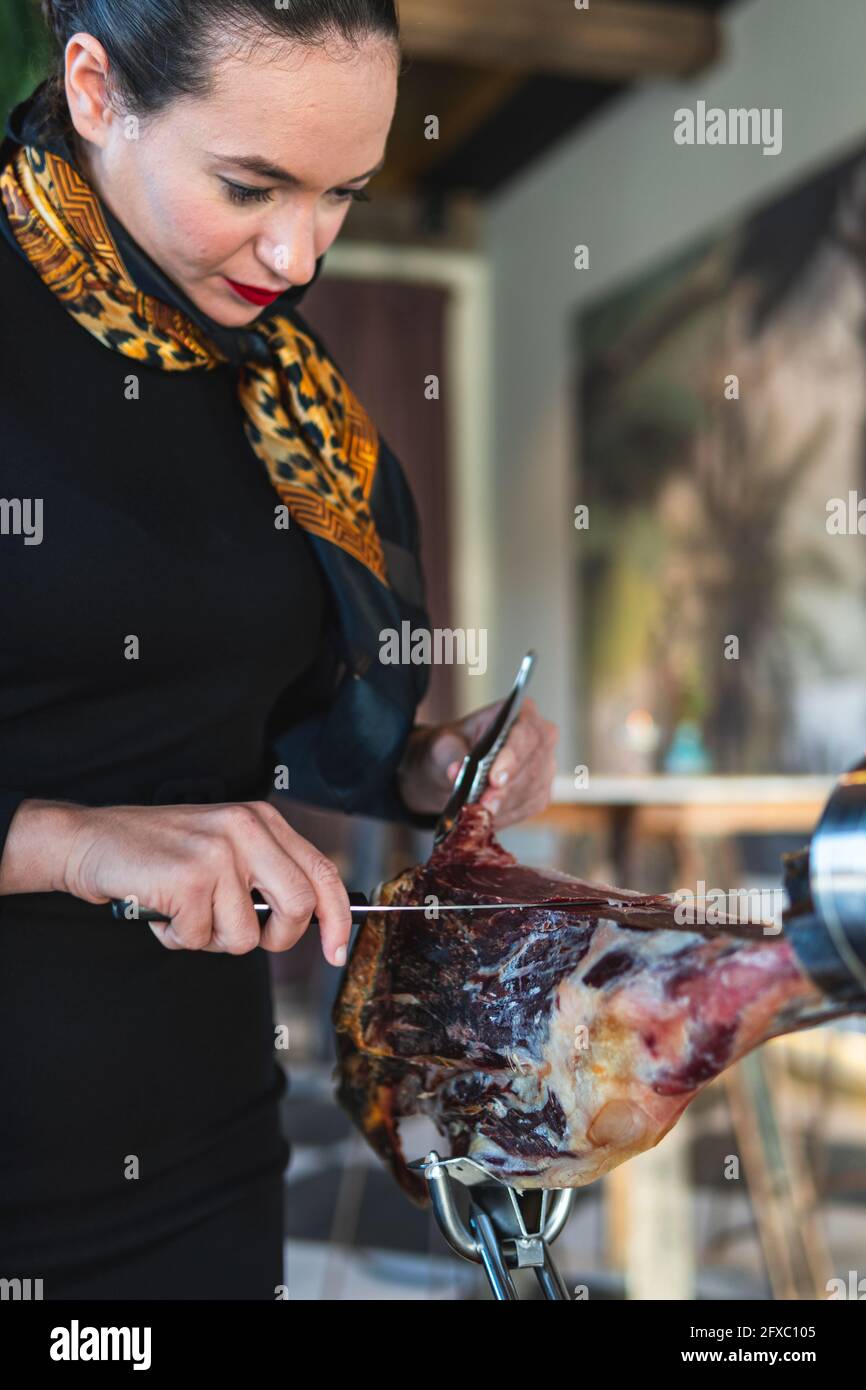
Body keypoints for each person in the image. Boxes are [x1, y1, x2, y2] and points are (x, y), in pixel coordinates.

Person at [0, 0, 558, 1299]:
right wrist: (73, 840)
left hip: (194, 1150)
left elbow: (284, 714)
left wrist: (426, 770)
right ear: (94, 88)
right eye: (249, 185)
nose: (298, 251)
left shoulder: (280, 394)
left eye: (344, 192)